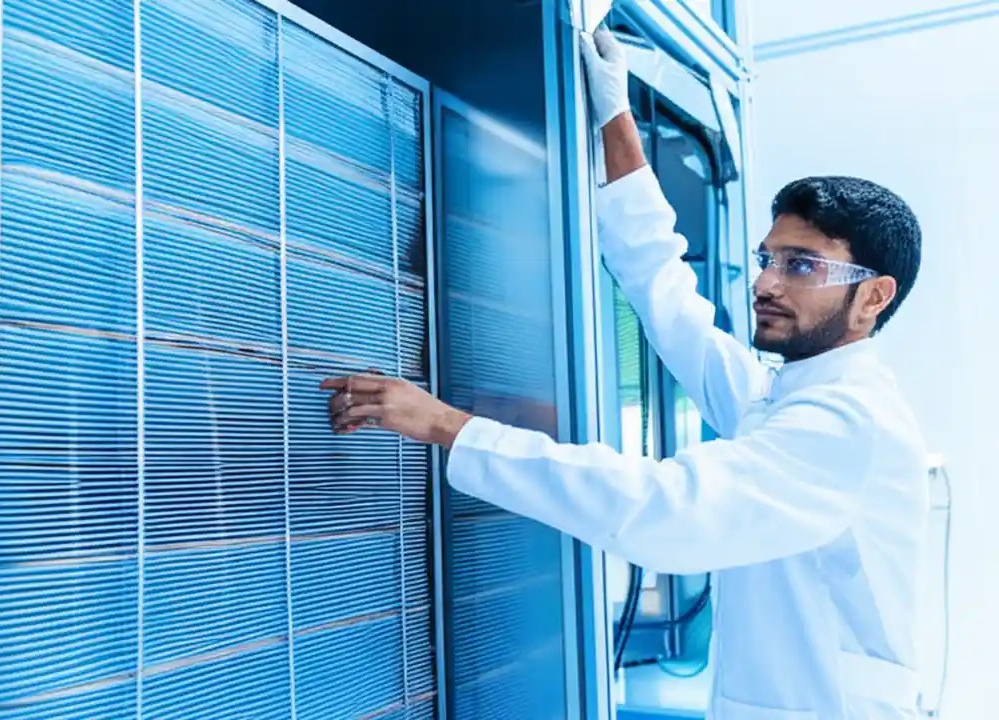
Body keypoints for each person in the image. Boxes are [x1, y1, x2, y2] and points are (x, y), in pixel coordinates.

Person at [320, 28, 927, 720]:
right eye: (768, 258)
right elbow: (669, 300)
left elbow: (667, 510)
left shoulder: (848, 425)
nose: (766, 282)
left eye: (801, 265)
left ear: (873, 296)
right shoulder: (782, 397)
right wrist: (615, 116)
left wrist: (447, 426)